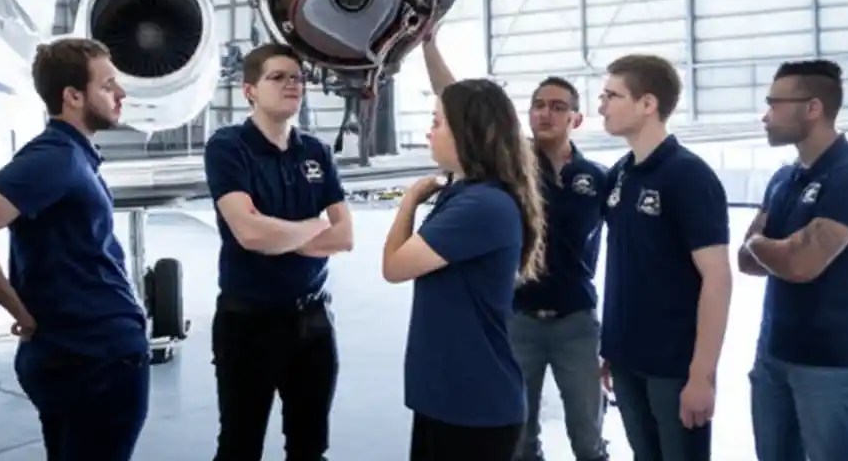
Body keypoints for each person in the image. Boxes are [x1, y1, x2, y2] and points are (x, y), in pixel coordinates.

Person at [0, 38, 149, 461]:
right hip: (95, 359)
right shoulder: (56, 159)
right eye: (108, 86)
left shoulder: (73, 156)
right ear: (73, 96)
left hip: (84, 352)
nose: (121, 94)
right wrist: (17, 309)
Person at [420, 38, 610, 461]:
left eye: (557, 106)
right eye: (538, 105)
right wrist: (429, 43)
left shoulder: (597, 178)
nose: (545, 113)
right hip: (518, 320)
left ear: (576, 118)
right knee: (520, 440)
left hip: (577, 323)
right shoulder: (512, 168)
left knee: (588, 436)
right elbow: (459, 101)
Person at [202, 43, 355, 461]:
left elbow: (344, 236)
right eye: (278, 77)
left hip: (312, 323)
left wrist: (277, 235)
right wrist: (313, 227)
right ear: (249, 90)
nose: (292, 84)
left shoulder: (317, 152)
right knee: (239, 446)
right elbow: (249, 234)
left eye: (297, 77)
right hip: (248, 324)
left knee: (310, 447)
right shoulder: (228, 147)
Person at [381, 77, 546, 461]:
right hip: (448, 396)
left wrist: (409, 202)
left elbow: (394, 266)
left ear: (466, 133)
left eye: (437, 122)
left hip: (472, 404)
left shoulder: (480, 206)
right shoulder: (463, 196)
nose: (429, 132)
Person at [738, 60, 848, 461]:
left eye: (774, 104)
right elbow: (746, 261)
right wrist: (771, 248)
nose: (765, 116)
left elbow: (800, 264)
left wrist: (760, 243)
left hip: (831, 363)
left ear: (813, 108)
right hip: (773, 353)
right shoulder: (782, 179)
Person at [595, 54, 732, 461]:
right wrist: (612, 348)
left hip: (673, 367)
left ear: (647, 103)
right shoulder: (621, 173)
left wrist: (702, 375)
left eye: (611, 96)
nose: (601, 106)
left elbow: (717, 278)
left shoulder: (688, 176)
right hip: (627, 359)